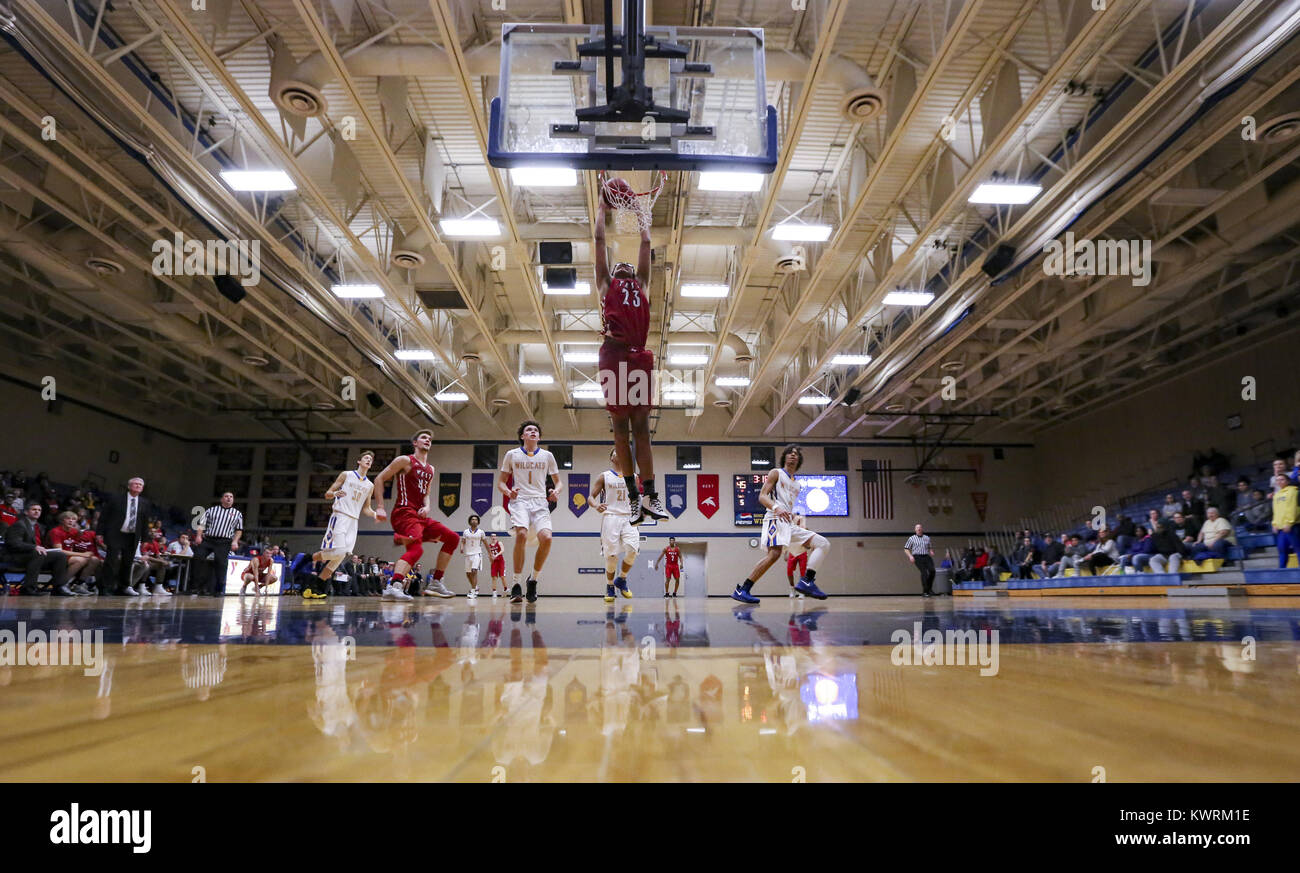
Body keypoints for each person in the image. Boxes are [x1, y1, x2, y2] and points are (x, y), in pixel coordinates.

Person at [594, 183, 668, 526]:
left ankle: (651, 496)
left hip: (639, 357)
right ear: (611, 274)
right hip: (613, 355)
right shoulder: (606, 286)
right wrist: (601, 208)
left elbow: (646, 243)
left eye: (627, 264)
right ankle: (633, 497)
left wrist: (640, 212)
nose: (623, 264)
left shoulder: (642, 283)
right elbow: (598, 243)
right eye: (617, 264)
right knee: (620, 428)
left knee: (642, 428)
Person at [732, 445, 829, 604]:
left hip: (788, 523)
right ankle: (743, 589)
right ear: (784, 457)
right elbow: (762, 496)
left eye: (796, 454)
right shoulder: (776, 472)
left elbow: (787, 504)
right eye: (790, 453)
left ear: (799, 460)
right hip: (774, 519)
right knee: (774, 555)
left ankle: (807, 580)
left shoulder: (797, 484)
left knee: (823, 543)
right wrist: (777, 508)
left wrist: (792, 515)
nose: (793, 455)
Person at [372, 429, 460, 601]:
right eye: (423, 437)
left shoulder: (431, 469)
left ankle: (436, 581)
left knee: (453, 538)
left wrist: (427, 506)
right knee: (416, 549)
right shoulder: (405, 460)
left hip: (421, 517)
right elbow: (379, 479)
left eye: (429, 439)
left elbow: (426, 493)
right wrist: (380, 507)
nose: (427, 440)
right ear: (415, 443)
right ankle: (394, 586)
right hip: (404, 513)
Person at [498, 420, 563, 603]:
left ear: (539, 437)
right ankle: (516, 584)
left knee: (547, 538)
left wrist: (556, 491)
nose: (533, 432)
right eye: (529, 430)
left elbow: (559, 482)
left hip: (540, 502)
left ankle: (533, 580)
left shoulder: (547, 456)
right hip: (520, 501)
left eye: (536, 430)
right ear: (522, 436)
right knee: (521, 535)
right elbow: (501, 482)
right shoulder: (511, 455)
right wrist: (508, 491)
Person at [306, 450, 376, 599]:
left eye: (371, 459)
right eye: (366, 458)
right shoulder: (346, 475)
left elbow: (366, 509)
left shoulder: (370, 485)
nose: (369, 460)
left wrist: (377, 514)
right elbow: (327, 494)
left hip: (353, 521)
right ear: (359, 461)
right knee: (337, 552)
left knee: (340, 557)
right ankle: (306, 558)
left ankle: (316, 586)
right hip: (340, 516)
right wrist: (335, 493)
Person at [590, 448, 638, 603]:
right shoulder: (604, 476)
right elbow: (590, 497)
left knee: (632, 551)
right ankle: (609, 585)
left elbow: (636, 498)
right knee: (612, 557)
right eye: (615, 451)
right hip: (610, 517)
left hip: (628, 517)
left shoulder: (634, 477)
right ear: (611, 458)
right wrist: (596, 505)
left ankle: (622, 579)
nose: (619, 452)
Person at [96, 476, 153, 595]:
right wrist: (100, 532)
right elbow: (104, 516)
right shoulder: (116, 499)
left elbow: (145, 522)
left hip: (132, 536)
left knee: (128, 562)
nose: (138, 486)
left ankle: (123, 587)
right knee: (111, 561)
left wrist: (145, 538)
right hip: (116, 534)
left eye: (140, 485)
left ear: (142, 488)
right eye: (135, 484)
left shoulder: (145, 503)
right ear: (129, 486)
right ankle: (106, 587)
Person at [4, 503, 72, 595]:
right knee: (38, 554)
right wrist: (34, 547)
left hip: (34, 556)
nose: (37, 511)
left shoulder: (39, 526)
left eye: (39, 510)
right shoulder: (19, 525)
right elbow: (14, 543)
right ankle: (28, 589)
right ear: (26, 512)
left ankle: (58, 588)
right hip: (18, 557)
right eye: (34, 509)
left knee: (60, 556)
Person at [193, 492, 244, 597]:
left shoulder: (237, 513)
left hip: (224, 541)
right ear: (221, 499)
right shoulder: (211, 510)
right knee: (198, 557)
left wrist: (235, 541)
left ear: (233, 500)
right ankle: (194, 587)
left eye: (231, 497)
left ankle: (218, 590)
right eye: (226, 496)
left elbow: (239, 530)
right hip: (208, 539)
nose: (228, 498)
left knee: (221, 564)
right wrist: (198, 536)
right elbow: (201, 524)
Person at [49, 511, 100, 595]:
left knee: (94, 559)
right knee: (80, 560)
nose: (71, 521)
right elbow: (59, 551)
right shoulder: (56, 531)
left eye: (73, 519)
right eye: (68, 518)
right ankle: (61, 585)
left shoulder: (74, 532)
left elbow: (80, 543)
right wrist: (83, 554)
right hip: (55, 557)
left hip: (68, 556)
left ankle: (79, 585)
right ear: (62, 520)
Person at [1271, 474, 1299, 569]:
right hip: (1280, 527)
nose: (1279, 481)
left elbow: (1293, 508)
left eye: (1282, 479)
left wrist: (1289, 522)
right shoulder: (1277, 494)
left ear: (1288, 481)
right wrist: (1274, 524)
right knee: (1282, 550)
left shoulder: (1293, 491)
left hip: (1292, 526)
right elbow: (1276, 511)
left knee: (1298, 548)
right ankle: (1282, 571)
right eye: (1277, 480)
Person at [458, 514, 486, 601]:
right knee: (468, 574)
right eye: (472, 519)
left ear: (478, 522)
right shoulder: (466, 532)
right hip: (468, 554)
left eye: (476, 520)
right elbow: (463, 541)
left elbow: (485, 543)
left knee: (474, 571)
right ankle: (476, 587)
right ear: (470, 521)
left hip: (477, 554)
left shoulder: (481, 532)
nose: (474, 521)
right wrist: (462, 547)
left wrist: (490, 553)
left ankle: (473, 592)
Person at [903, 523, 936, 596]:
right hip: (917, 556)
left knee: (932, 570)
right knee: (924, 572)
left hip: (926, 556)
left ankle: (929, 588)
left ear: (922, 529)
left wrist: (931, 551)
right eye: (917, 528)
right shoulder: (912, 538)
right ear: (915, 530)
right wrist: (910, 556)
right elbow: (906, 549)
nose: (919, 529)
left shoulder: (927, 538)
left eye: (920, 528)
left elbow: (929, 547)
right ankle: (925, 591)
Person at [783, 515, 809, 597]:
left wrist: (806, 545)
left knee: (803, 572)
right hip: (792, 552)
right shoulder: (790, 530)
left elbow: (809, 545)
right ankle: (792, 588)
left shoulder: (805, 530)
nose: (798, 521)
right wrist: (785, 553)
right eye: (796, 520)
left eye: (799, 520)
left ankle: (802, 590)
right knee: (789, 571)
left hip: (802, 552)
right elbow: (787, 542)